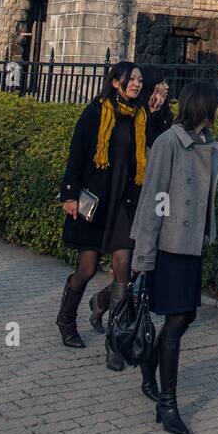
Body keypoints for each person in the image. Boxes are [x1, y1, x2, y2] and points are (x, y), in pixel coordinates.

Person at [55, 62, 171, 389]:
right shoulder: (96, 112)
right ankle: (66, 320)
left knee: (123, 268)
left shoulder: (141, 115)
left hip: (125, 202)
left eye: (140, 80)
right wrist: (69, 194)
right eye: (131, 79)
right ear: (116, 82)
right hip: (96, 201)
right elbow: (77, 154)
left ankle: (116, 343)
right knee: (87, 269)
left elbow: (162, 139)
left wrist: (159, 110)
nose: (137, 84)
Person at [131, 79, 218, 434]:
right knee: (174, 322)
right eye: (214, 104)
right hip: (169, 245)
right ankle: (167, 403)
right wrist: (144, 255)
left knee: (185, 318)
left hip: (191, 245)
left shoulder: (206, 143)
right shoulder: (169, 142)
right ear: (202, 107)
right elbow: (153, 199)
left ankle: (147, 367)